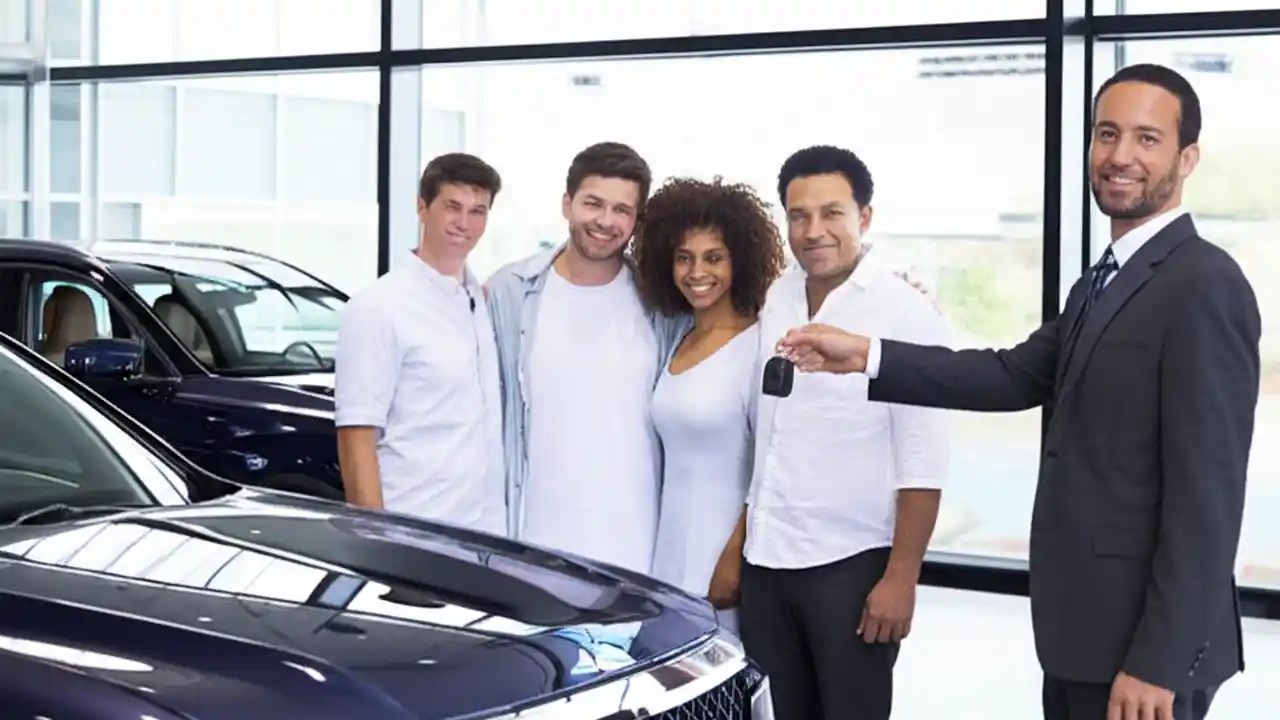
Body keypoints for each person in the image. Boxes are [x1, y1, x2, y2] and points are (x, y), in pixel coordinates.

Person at [776, 64, 1260, 720]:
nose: (1120, 156)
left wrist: (1159, 662)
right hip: (1085, 633)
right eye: (1107, 134)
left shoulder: (1203, 283)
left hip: (1144, 653)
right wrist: (866, 354)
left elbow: (1209, 500)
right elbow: (1010, 375)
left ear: (1187, 158)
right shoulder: (1103, 280)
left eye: (1147, 139)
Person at [741, 145, 952, 720]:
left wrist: (901, 578)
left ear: (865, 216)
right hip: (767, 563)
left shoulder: (905, 313)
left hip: (851, 567)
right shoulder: (777, 296)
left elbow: (923, 460)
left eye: (831, 213)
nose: (814, 231)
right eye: (799, 215)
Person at [484, 141, 688, 574]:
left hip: (636, 552)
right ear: (567, 204)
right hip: (530, 547)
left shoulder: (663, 304)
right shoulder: (509, 292)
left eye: (622, 210)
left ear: (636, 220)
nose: (606, 221)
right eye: (593, 203)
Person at [629, 176, 787, 634]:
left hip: (722, 571)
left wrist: (734, 557)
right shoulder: (678, 339)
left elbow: (771, 466)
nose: (697, 272)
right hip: (667, 565)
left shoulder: (759, 347)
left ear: (741, 260)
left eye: (714, 257)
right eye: (684, 258)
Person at [334, 152, 506, 535]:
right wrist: (376, 541)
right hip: (412, 528)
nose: (464, 223)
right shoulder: (378, 307)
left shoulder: (480, 303)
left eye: (477, 211)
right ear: (422, 207)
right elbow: (356, 436)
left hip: (484, 531)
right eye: (452, 207)